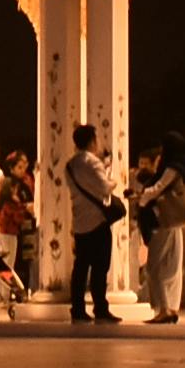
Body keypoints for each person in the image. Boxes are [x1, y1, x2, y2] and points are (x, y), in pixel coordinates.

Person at [143, 140, 185, 321]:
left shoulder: (172, 169)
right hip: (176, 223)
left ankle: (164, 309)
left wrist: (142, 199)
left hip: (163, 222)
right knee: (172, 267)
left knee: (155, 267)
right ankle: (171, 308)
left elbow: (158, 189)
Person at [59, 126, 119, 322]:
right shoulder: (93, 162)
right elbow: (104, 188)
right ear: (93, 140)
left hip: (79, 222)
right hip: (98, 221)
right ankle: (100, 309)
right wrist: (113, 182)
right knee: (100, 268)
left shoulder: (70, 164)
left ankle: (77, 309)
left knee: (80, 268)